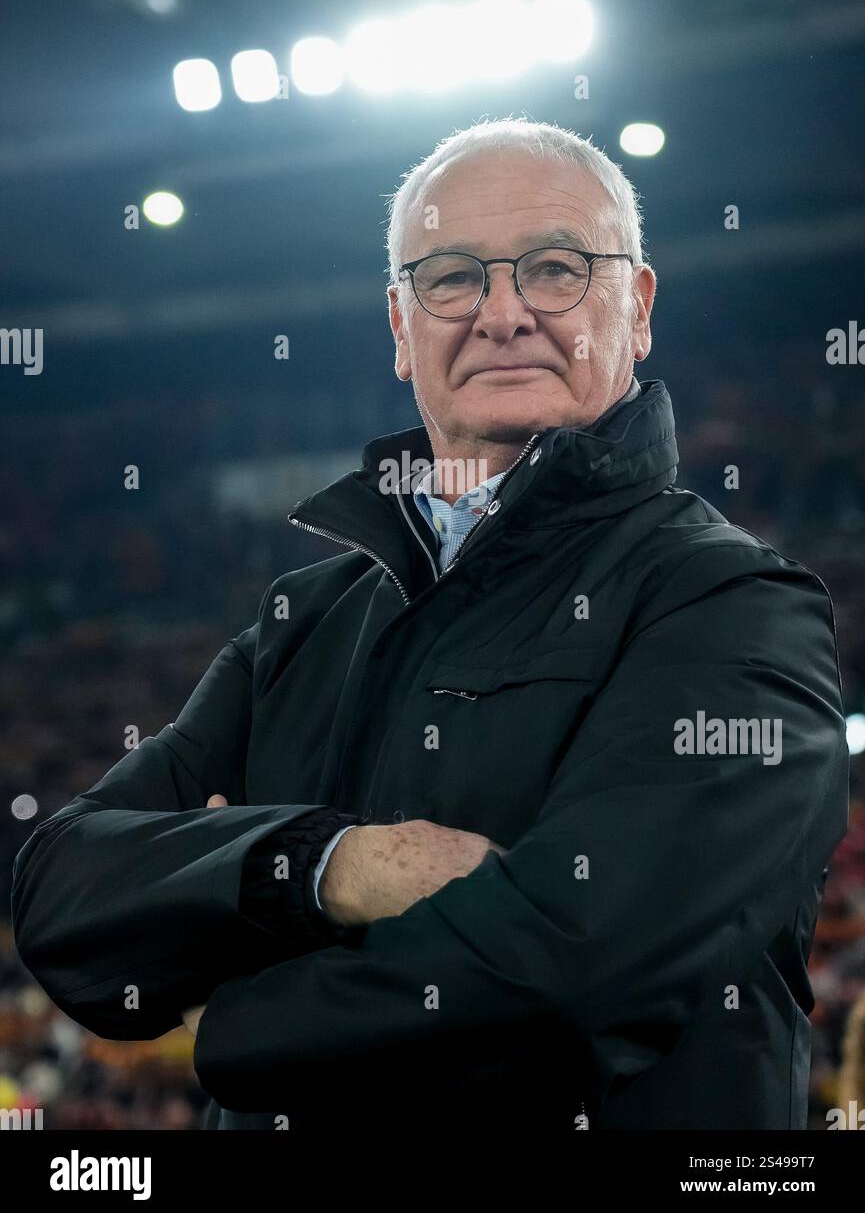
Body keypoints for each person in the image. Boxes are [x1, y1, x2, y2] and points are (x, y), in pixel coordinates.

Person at [12, 119, 850, 1136]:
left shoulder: (732, 603)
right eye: (451, 277)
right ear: (402, 326)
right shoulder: (304, 618)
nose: (503, 314)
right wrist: (328, 865)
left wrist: (228, 1015)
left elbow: (573, 963)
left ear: (634, 307)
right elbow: (61, 891)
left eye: (554, 268)